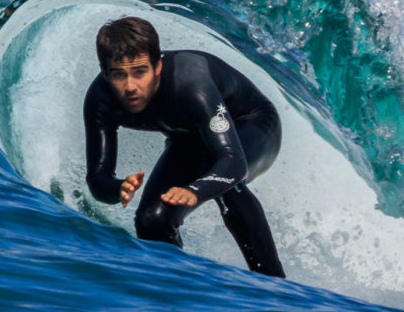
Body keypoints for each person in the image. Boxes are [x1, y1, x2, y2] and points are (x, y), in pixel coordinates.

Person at [82, 15, 286, 278]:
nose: (130, 86)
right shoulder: (100, 99)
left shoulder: (191, 83)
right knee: (152, 219)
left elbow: (233, 161)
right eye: (119, 75)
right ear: (105, 72)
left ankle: (273, 282)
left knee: (222, 177)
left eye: (140, 72)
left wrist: (195, 190)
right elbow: (97, 175)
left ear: (158, 66)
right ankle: (176, 284)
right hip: (189, 138)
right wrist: (117, 188)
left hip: (253, 123)